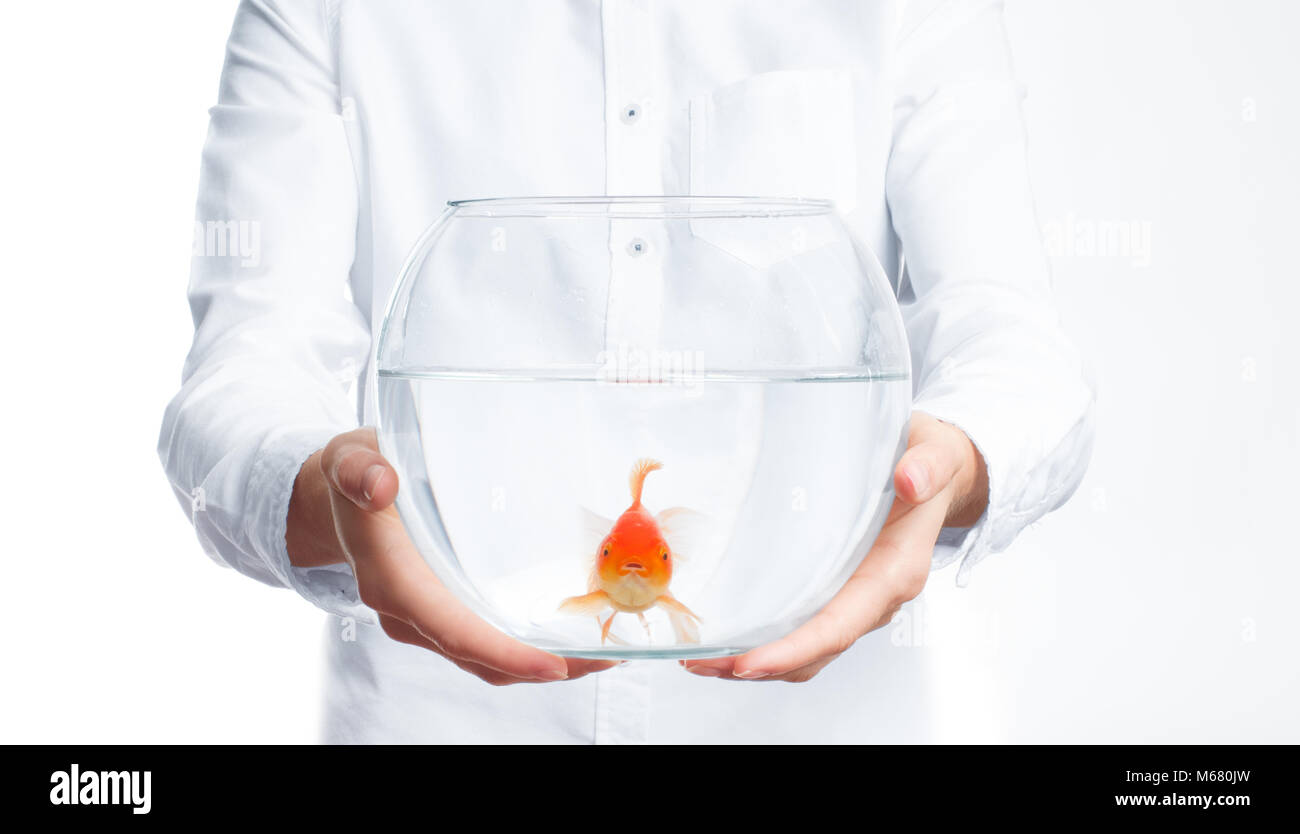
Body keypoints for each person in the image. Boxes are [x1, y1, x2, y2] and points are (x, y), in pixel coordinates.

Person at [159, 0, 1095, 743]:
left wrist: (953, 466)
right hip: (428, 721)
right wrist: (333, 492)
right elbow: (242, 372)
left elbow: (1012, 343)